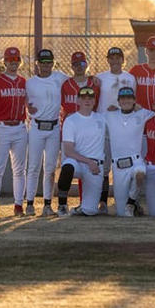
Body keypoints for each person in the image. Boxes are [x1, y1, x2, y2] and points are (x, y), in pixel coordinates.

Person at [24, 49, 70, 216]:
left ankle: (47, 204)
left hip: (53, 127)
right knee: (33, 167)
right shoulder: (30, 83)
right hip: (36, 127)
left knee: (50, 168)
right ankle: (29, 203)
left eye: (48, 62)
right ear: (37, 64)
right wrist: (26, 107)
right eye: (42, 62)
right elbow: (22, 97)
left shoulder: (60, 78)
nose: (45, 66)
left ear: (53, 63)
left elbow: (76, 82)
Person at [0, 47, 28, 217]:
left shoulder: (24, 81)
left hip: (20, 127)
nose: (13, 63)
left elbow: (30, 104)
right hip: (0, 128)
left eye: (16, 60)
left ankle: (18, 206)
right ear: (4, 62)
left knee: (19, 170)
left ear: (19, 61)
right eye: (10, 60)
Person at [96, 46, 137, 213]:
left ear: (122, 59)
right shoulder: (100, 78)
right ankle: (103, 201)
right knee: (104, 165)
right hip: (104, 125)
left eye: (118, 57)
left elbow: (133, 102)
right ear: (108, 59)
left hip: (123, 125)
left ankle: (129, 200)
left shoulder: (130, 78)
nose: (115, 60)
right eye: (111, 57)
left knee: (124, 162)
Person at [56, 86, 106, 217]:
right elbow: (68, 150)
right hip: (77, 162)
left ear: (95, 101)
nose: (87, 101)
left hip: (95, 166)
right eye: (83, 98)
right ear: (77, 101)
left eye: (90, 98)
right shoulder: (71, 120)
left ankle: (80, 209)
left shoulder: (102, 119)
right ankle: (62, 204)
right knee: (67, 167)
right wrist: (88, 161)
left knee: (90, 211)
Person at [103, 87, 153, 217]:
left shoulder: (142, 114)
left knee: (140, 172)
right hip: (118, 165)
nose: (126, 101)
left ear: (134, 100)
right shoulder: (110, 115)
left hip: (135, 160)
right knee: (121, 212)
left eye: (129, 98)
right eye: (123, 99)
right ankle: (134, 204)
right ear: (118, 102)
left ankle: (131, 202)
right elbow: (92, 119)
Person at [61, 51, 100, 119]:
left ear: (86, 65)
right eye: (76, 64)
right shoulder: (66, 85)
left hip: (89, 122)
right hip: (71, 123)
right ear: (72, 67)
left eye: (82, 63)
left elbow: (97, 105)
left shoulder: (94, 84)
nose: (79, 66)